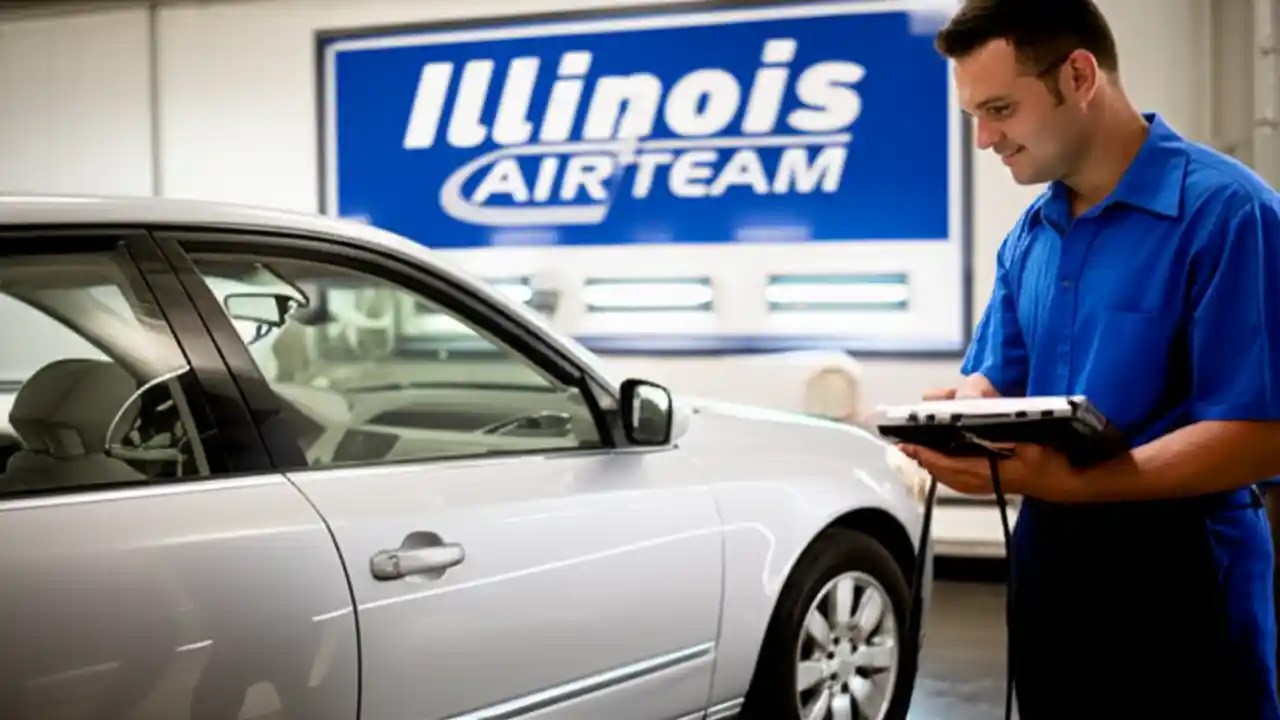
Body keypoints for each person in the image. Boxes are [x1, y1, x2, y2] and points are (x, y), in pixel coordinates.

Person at [897, 1, 1280, 717]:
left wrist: (1076, 485)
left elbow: (1260, 434)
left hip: (1188, 587)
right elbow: (996, 376)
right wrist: (963, 414)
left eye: (1001, 108)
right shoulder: (1031, 237)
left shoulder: (1231, 216)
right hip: (1052, 580)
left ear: (1078, 76)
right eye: (974, 114)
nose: (984, 139)